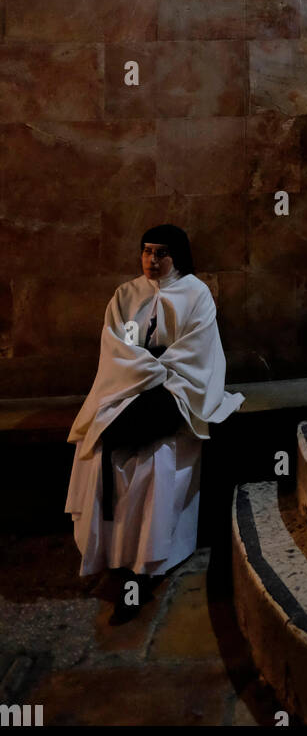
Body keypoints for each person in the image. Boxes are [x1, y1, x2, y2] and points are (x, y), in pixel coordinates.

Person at [64, 225, 244, 623]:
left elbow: (195, 354)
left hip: (180, 391)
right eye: (146, 251)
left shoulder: (196, 294)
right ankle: (111, 555)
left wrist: (153, 372)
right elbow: (118, 351)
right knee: (98, 450)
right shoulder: (126, 296)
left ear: (177, 256)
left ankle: (147, 562)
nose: (152, 260)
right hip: (128, 389)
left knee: (153, 460)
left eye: (161, 252)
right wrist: (144, 371)